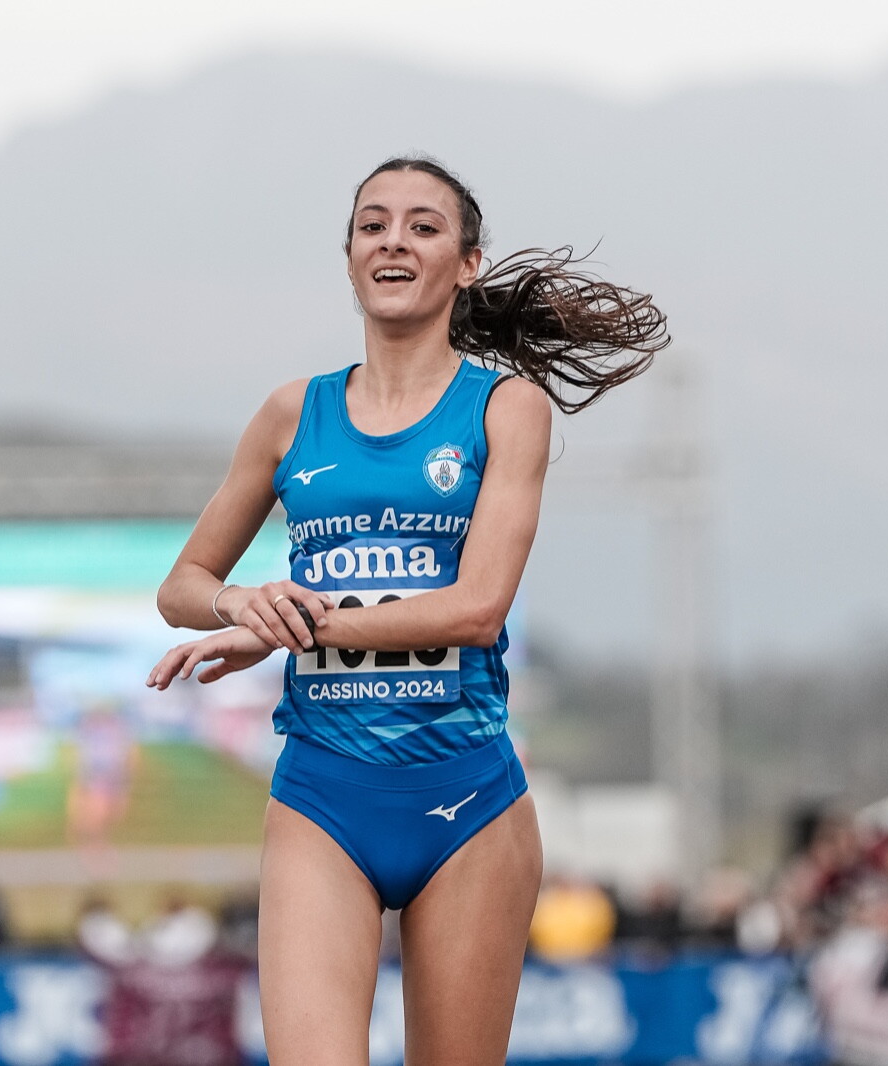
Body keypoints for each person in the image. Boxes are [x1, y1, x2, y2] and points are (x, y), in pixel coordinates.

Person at [147, 155, 667, 1065]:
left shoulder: (508, 408)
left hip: (466, 796)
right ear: (348, 254)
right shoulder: (289, 415)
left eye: (423, 226)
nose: (394, 240)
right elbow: (181, 585)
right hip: (322, 796)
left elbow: (475, 609)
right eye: (373, 223)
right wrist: (244, 600)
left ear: (466, 262)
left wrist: (297, 625)